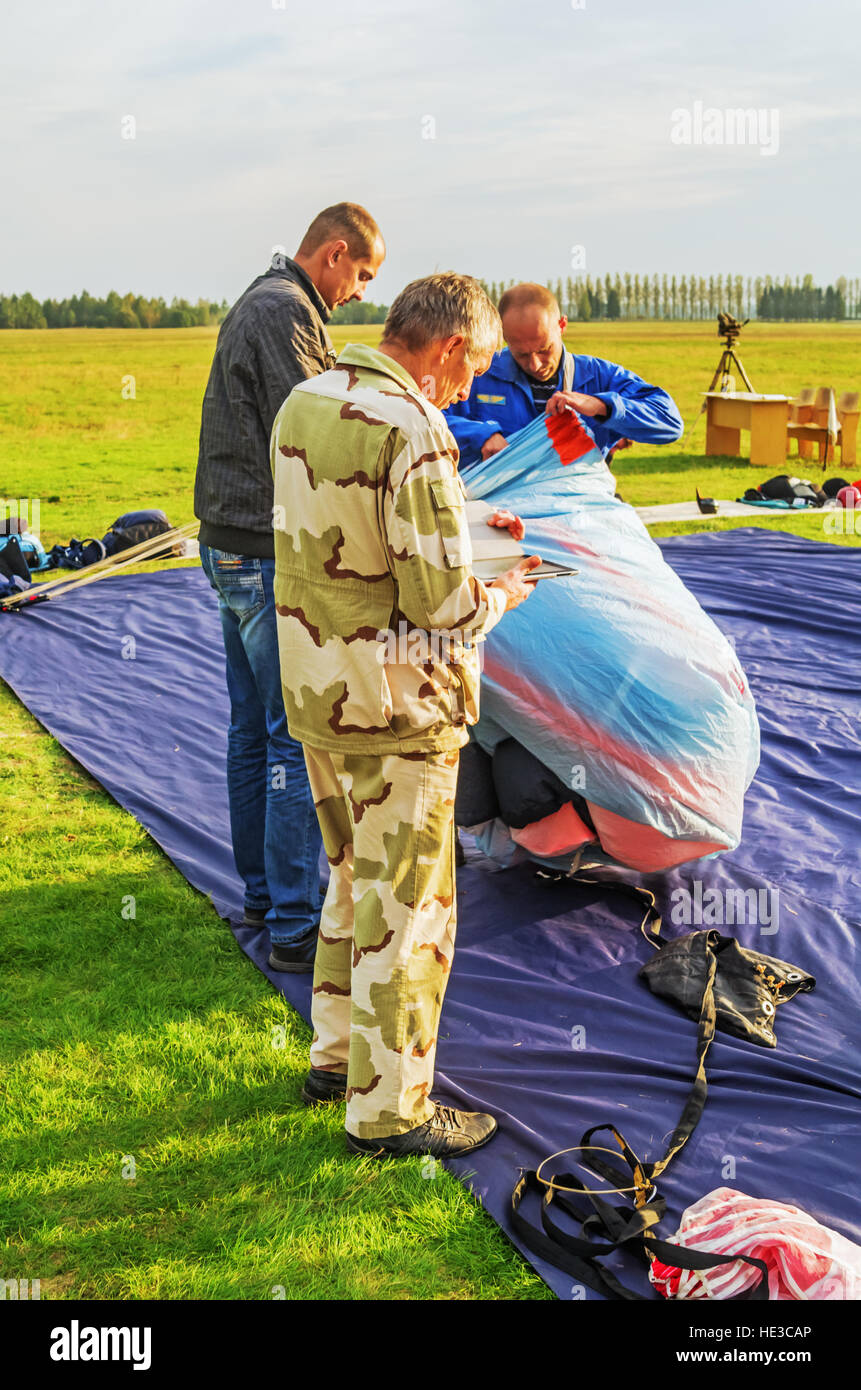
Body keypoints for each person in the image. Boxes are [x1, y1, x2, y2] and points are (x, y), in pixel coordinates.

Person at [270, 273, 540, 1157]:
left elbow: (351, 521)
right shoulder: (416, 426)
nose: (466, 391)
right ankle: (390, 1110)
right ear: (449, 347)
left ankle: (335, 1056)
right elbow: (438, 605)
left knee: (349, 881)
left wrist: (456, 516)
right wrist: (498, 591)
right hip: (400, 706)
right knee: (411, 911)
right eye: (471, 371)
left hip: (319, 691)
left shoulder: (306, 400)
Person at [194, 203, 386, 972]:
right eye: (363, 274)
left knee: (252, 731)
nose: (362, 292)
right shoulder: (284, 314)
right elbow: (319, 434)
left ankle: (262, 898)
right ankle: (296, 928)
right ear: (333, 254)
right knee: (293, 739)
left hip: (229, 545)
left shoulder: (267, 297)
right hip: (264, 552)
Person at [445, 282, 683, 469]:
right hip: (500, 513)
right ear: (504, 337)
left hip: (577, 512)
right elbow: (427, 419)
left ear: (562, 325)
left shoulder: (597, 376)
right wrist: (481, 436)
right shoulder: (479, 373)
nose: (535, 364)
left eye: (543, 349)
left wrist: (602, 406)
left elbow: (670, 423)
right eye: (522, 354)